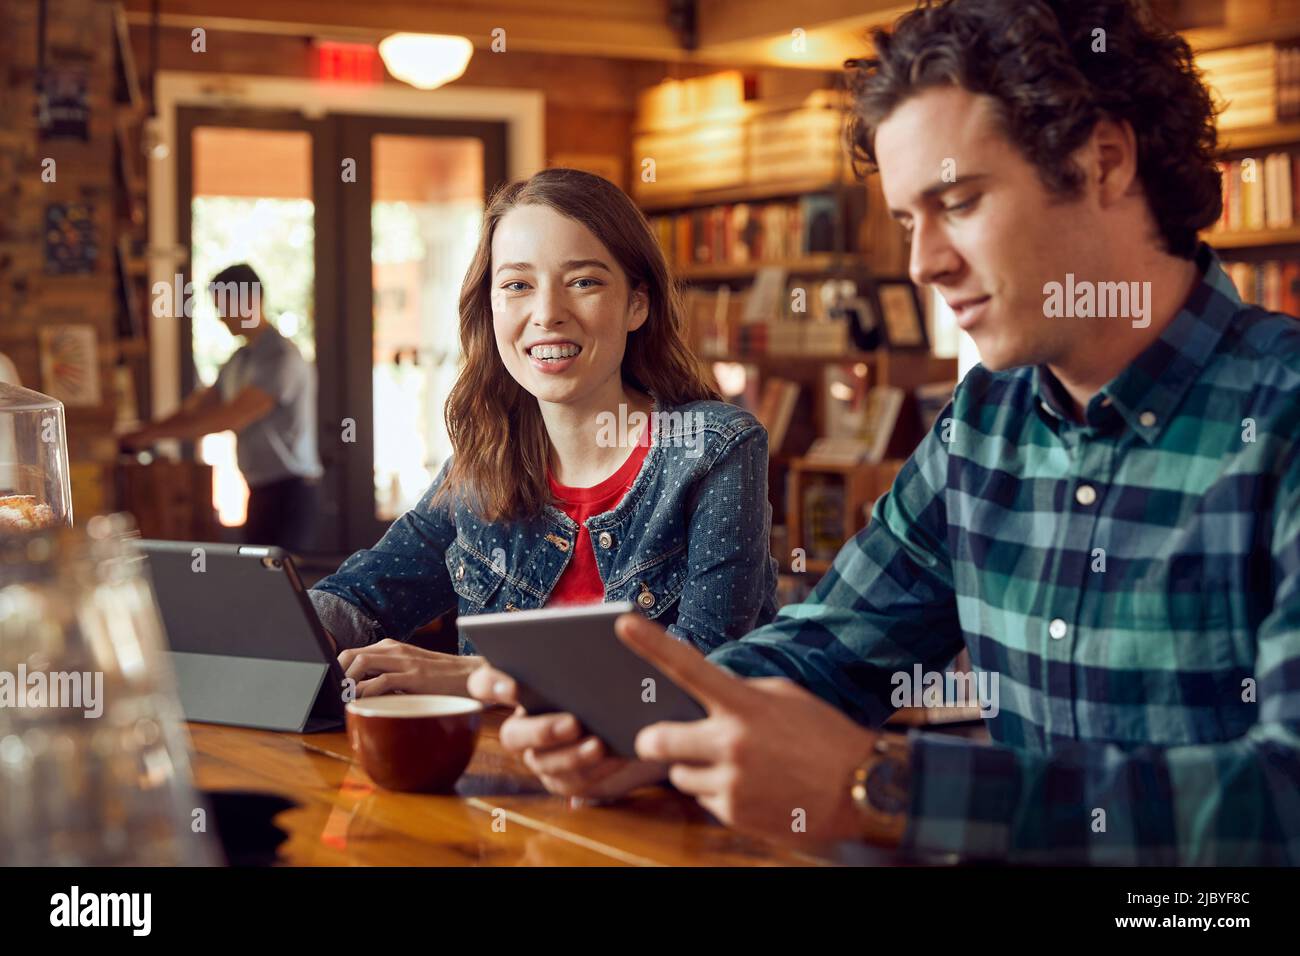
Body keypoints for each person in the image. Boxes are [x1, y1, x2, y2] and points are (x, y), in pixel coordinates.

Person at [473, 0, 1300, 865]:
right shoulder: (984, 424)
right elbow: (831, 645)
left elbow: (1283, 798)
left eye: (959, 202)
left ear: (1104, 162)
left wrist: (884, 788)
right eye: (909, 220)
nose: (922, 264)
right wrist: (640, 722)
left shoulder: (1280, 420)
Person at [308, 168, 780, 698]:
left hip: (668, 777)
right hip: (499, 776)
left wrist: (481, 679)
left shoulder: (713, 448)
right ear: (490, 306)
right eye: (517, 286)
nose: (548, 314)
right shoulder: (485, 460)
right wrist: (294, 632)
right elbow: (364, 596)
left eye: (583, 282)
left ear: (636, 304)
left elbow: (705, 670)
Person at [121, 263, 323, 552]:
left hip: (291, 492)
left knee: (282, 589)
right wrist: (142, 432)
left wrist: (145, 437)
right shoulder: (239, 359)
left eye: (224, 306)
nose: (220, 317)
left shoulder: (279, 356)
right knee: (258, 582)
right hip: (260, 490)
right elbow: (197, 408)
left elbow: (231, 417)